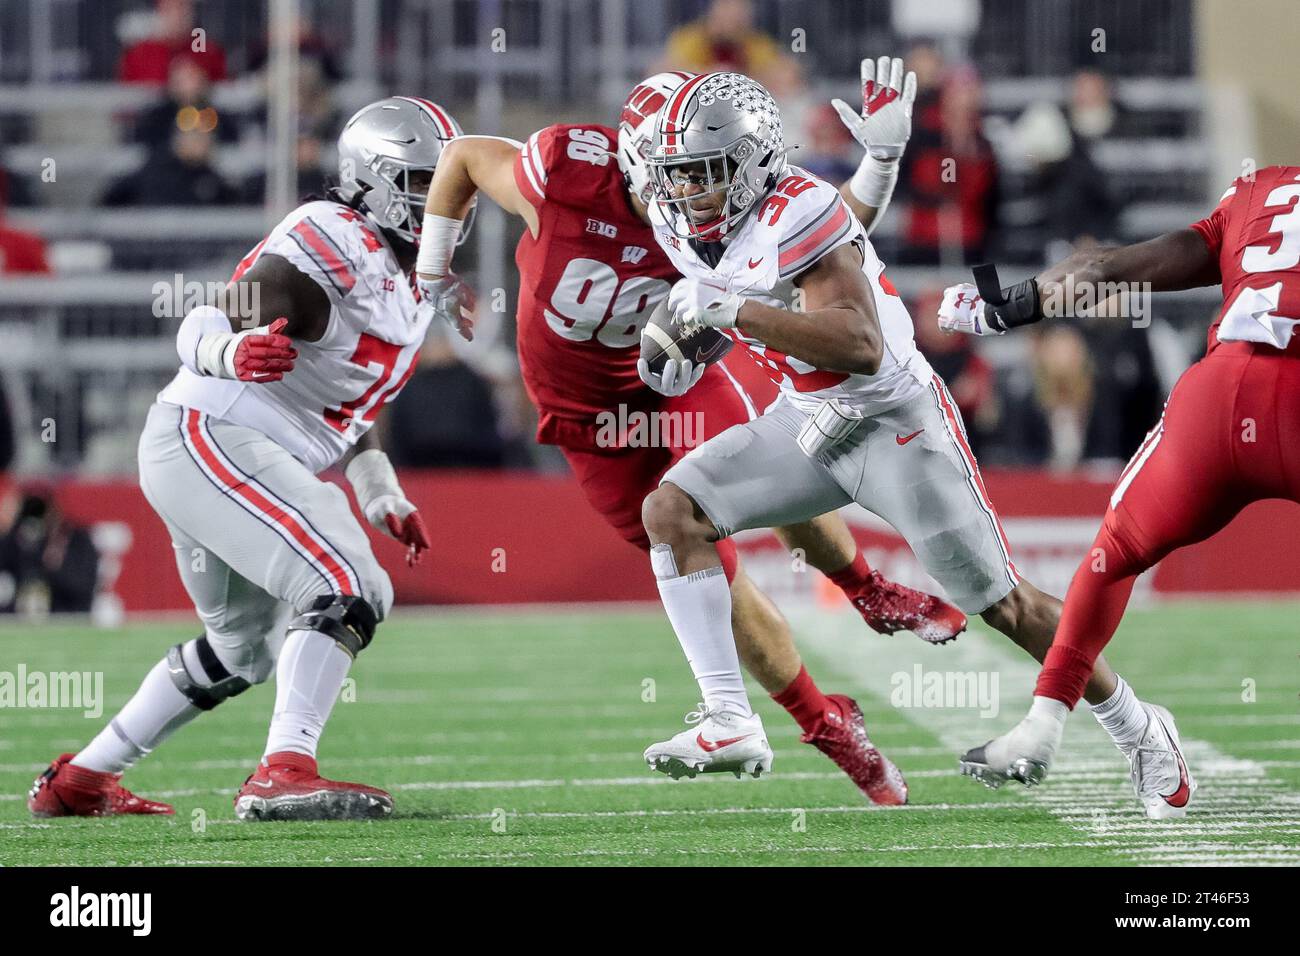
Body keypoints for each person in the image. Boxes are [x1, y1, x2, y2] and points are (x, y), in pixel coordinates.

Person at [414, 62, 966, 803]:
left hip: (678, 379)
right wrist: (434, 270)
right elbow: (464, 158)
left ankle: (865, 590)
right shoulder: (569, 175)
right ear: (642, 161)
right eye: (685, 171)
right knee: (713, 577)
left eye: (710, 169)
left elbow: (828, 230)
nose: (702, 189)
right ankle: (826, 724)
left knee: (769, 470)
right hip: (587, 417)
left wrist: (881, 161)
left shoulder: (724, 213)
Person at [630, 69, 1151, 787]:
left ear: (749, 165)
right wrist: (696, 338)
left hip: (891, 423)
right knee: (671, 510)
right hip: (806, 420)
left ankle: (1139, 726)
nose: (684, 192)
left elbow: (857, 343)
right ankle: (729, 719)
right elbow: (781, 263)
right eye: (676, 176)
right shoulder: (687, 222)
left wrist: (732, 314)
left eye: (702, 174)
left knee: (1006, 605)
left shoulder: (799, 205)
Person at [27, 97, 452, 822]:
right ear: (374, 180)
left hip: (223, 446)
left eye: (449, 186)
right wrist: (230, 350)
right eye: (424, 184)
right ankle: (284, 768)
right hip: (213, 430)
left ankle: (80, 782)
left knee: (243, 649)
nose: (442, 203)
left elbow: (342, 403)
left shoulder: (413, 276)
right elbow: (208, 317)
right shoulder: (335, 237)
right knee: (347, 582)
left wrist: (380, 489)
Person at [940, 164, 1300, 818]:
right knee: (1116, 549)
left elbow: (1110, 267)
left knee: (1115, 552)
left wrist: (1013, 303)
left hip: (1225, 395)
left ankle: (1044, 724)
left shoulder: (1261, 189)